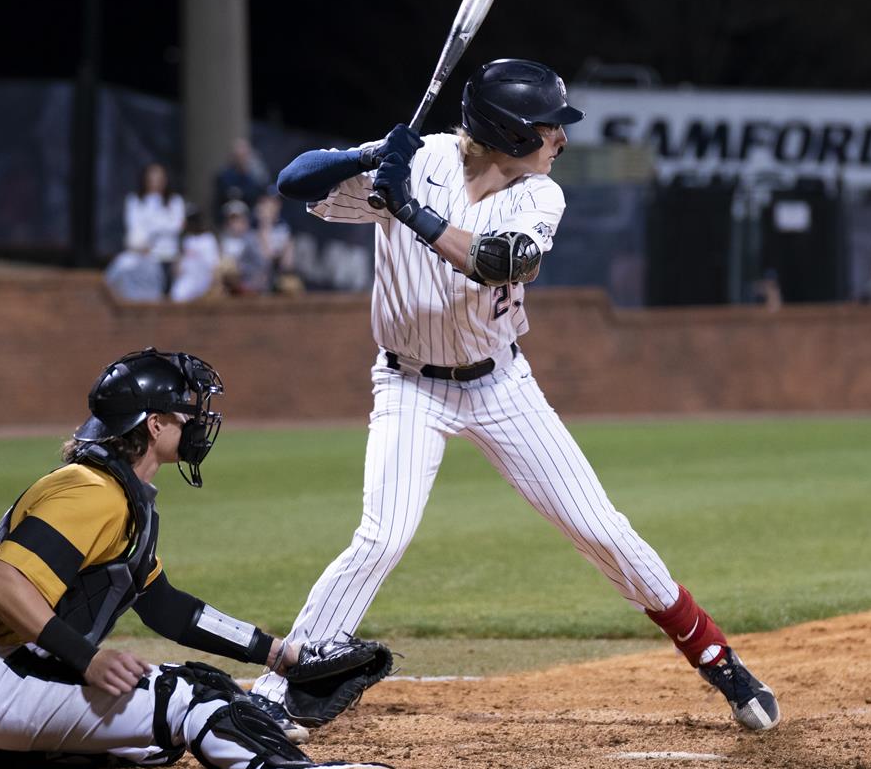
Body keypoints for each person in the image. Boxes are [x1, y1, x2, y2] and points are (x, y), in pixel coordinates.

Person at [248, 59, 779, 734]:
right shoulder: (419, 158)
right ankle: (273, 691)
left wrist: (407, 208)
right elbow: (293, 183)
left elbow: (502, 260)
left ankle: (718, 659)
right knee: (380, 537)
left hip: (500, 386)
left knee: (601, 529)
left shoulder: (538, 194)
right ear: (509, 132)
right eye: (549, 127)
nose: (560, 138)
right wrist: (370, 155)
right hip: (410, 385)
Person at [0, 349, 406, 769]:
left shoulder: (118, 491)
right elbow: (1, 582)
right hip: (7, 679)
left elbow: (166, 607)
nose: (197, 423)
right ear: (155, 423)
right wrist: (88, 657)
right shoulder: (90, 491)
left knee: (157, 740)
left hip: (8, 682)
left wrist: (280, 655)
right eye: (186, 414)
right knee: (194, 695)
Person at [124, 162, 187, 293]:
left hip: (169, 255)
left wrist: (152, 225)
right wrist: (164, 223)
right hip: (145, 255)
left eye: (159, 179)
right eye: (152, 178)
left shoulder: (175, 201)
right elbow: (134, 227)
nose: (155, 182)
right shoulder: (135, 200)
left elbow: (177, 226)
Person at [169, 208, 221, 302]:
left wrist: (215, 282)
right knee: (177, 295)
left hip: (204, 278)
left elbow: (214, 263)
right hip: (188, 278)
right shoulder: (188, 239)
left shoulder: (208, 239)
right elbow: (181, 263)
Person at [212, 137, 270, 208]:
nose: (242, 158)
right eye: (239, 156)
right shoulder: (224, 176)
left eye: (245, 154)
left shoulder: (256, 176)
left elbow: (259, 194)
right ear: (233, 156)